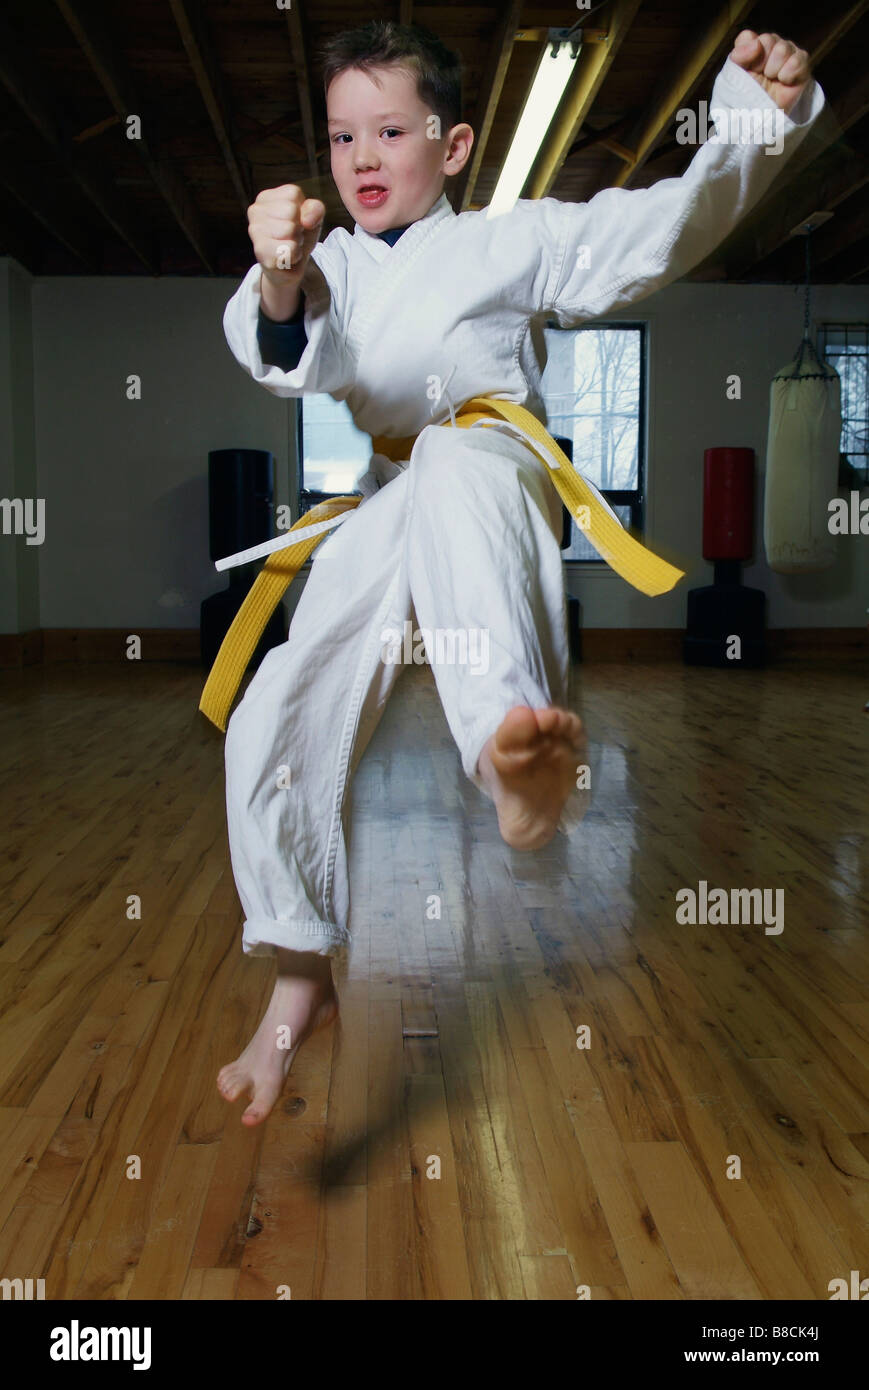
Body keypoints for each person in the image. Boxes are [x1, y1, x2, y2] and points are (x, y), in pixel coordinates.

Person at [216, 20, 822, 1125]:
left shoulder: (514, 238)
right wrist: (278, 273)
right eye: (343, 134)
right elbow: (297, 351)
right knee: (271, 708)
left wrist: (753, 128)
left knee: (452, 463)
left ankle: (508, 766)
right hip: (387, 492)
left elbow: (654, 228)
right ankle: (298, 973)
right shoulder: (331, 263)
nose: (359, 156)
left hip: (490, 462)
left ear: (450, 148)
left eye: (389, 130)